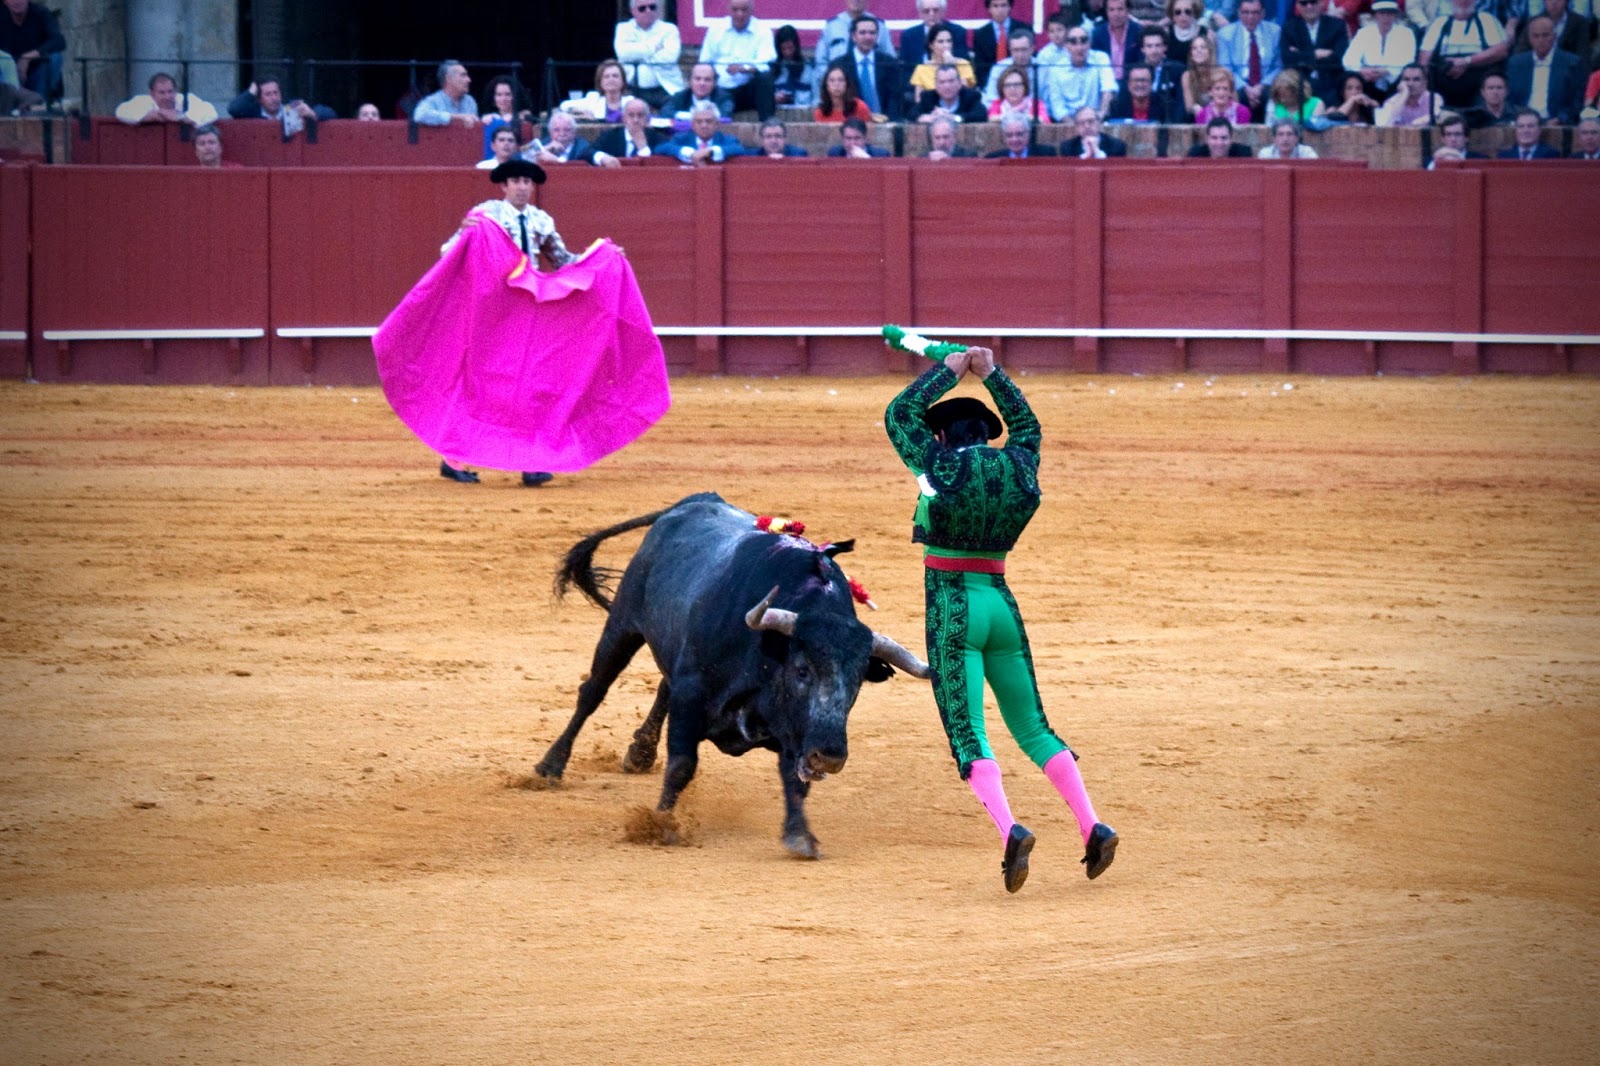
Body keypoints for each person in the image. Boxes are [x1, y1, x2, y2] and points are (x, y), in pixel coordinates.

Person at [882, 332, 1117, 894]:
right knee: (1033, 725)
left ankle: (1010, 829)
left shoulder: (936, 464)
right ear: (987, 435)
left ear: (941, 434)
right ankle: (1092, 825)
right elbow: (1030, 428)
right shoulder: (1019, 465)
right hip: (1001, 603)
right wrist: (991, 374)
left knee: (969, 734)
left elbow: (898, 415)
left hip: (952, 606)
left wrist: (949, 370)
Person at [433, 159, 574, 487]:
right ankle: (453, 458)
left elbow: (563, 261)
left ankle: (529, 461)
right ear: (504, 186)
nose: (523, 186)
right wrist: (466, 235)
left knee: (530, 384)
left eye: (527, 181)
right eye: (516, 180)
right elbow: (447, 252)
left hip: (528, 311)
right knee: (480, 385)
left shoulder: (541, 220)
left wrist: (602, 259)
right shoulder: (485, 215)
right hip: (491, 313)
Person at [1418, 0, 1510, 109]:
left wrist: (1467, 61)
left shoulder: (1486, 19)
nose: (1463, 1)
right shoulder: (1439, 22)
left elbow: (1501, 51)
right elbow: (1424, 59)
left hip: (1479, 86)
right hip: (1443, 87)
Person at [698, 0, 777, 121]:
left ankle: (767, 126)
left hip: (747, 89)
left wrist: (742, 69)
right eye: (735, 10)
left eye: (744, 10)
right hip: (720, 88)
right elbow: (705, 61)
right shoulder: (716, 29)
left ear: (751, 10)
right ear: (728, 9)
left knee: (765, 78)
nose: (740, 14)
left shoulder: (763, 30)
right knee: (701, 78)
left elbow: (765, 64)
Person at [1505, 15, 1583, 125]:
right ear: (1529, 38)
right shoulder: (1516, 63)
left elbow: (1576, 101)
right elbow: (1509, 98)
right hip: (1522, 122)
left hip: (1557, 123)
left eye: (1545, 35)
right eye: (1536, 36)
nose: (1540, 40)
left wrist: (1559, 119)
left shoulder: (1571, 63)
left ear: (1554, 36)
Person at [1216, 0, 1283, 118]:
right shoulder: (1225, 34)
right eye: (1245, 12)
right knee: (1235, 94)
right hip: (1238, 84)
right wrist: (1246, 88)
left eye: (1255, 12)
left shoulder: (1275, 31)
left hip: (1266, 84)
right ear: (1238, 13)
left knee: (1273, 94)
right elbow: (1225, 67)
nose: (1250, 17)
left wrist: (1261, 86)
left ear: (1263, 13)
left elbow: (1278, 65)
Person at [614, 0, 685, 110]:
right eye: (642, 8)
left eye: (652, 7)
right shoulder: (623, 28)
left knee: (668, 116)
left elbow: (669, 58)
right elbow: (623, 53)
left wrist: (638, 54)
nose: (648, 11)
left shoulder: (669, 29)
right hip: (632, 89)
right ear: (633, 11)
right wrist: (654, 48)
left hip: (665, 89)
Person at [815, 0, 894, 97]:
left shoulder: (879, 26)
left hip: (872, 88)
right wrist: (831, 83)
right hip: (837, 91)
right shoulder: (832, 26)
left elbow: (890, 59)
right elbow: (820, 61)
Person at [1043, 23, 1117, 121]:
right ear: (1066, 46)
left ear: (1090, 43)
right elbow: (1058, 108)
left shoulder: (1101, 58)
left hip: (1097, 120)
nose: (1079, 47)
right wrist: (1076, 127)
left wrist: (1100, 116)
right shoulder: (1056, 69)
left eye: (1084, 41)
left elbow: (1108, 88)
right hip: (1069, 124)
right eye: (1073, 42)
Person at [1342, 0, 1415, 97]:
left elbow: (1409, 60)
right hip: (1368, 81)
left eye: (1389, 14)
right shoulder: (1364, 33)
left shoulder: (1406, 34)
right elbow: (1348, 60)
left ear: (1395, 16)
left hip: (1396, 82)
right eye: (1382, 14)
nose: (1386, 18)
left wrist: (1387, 71)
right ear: (1376, 15)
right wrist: (1362, 70)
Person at [1283, 0, 1350, 103]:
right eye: (1304, 3)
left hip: (1331, 85)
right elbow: (1287, 59)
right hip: (1300, 85)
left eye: (1313, 2)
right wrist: (1315, 54)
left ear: (1321, 3)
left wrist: (1301, 55)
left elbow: (1339, 58)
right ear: (1297, 6)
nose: (1309, 6)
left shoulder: (1337, 25)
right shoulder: (1289, 27)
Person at [841, 14, 902, 119]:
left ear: (877, 36)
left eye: (872, 33)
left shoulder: (889, 63)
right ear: (853, 36)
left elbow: (895, 97)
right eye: (862, 33)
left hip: (885, 123)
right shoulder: (840, 65)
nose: (868, 37)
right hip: (852, 123)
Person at [0, 0, 62, 100]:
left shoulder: (40, 13)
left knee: (55, 58)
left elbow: (58, 41)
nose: (17, 1)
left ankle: (39, 105)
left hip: (36, 73)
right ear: (5, 2)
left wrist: (27, 58)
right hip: (8, 73)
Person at [229, 75, 329, 134]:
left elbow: (329, 112)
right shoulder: (254, 112)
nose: (274, 98)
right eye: (268, 94)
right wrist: (251, 91)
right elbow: (234, 109)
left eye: (276, 93)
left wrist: (312, 113)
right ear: (259, 99)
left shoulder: (292, 107)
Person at [114, 72, 219, 126]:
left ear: (176, 90)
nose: (167, 96)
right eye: (162, 92)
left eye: (170, 91)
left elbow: (211, 113)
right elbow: (121, 111)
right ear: (152, 94)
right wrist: (147, 116)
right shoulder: (144, 101)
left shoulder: (186, 99)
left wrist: (180, 118)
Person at [901, 0, 971, 77]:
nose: (931, 14)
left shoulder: (957, 32)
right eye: (926, 11)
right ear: (920, 13)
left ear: (943, 11)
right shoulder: (909, 35)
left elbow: (963, 62)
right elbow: (905, 69)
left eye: (936, 10)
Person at [973, 0, 1031, 89]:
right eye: (995, 6)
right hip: (991, 85)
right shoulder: (980, 34)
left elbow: (1030, 59)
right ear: (989, 9)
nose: (1000, 10)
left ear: (1010, 7)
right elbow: (980, 67)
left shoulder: (1024, 29)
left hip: (1022, 83)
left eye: (1003, 5)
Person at [592, 97, 670, 163]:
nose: (635, 120)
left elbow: (658, 167)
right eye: (631, 115)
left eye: (640, 115)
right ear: (624, 118)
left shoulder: (658, 138)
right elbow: (589, 152)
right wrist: (602, 157)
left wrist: (644, 149)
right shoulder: (610, 136)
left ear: (647, 119)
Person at [562, 59, 639, 122]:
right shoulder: (594, 99)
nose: (611, 79)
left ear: (623, 81)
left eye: (615, 76)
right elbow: (564, 106)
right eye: (606, 76)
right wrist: (582, 113)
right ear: (600, 82)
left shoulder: (631, 101)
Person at [669, 100, 747, 163]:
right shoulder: (681, 139)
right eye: (699, 122)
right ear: (692, 125)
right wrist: (687, 152)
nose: (704, 126)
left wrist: (711, 151)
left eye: (709, 121)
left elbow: (738, 149)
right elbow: (661, 148)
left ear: (717, 124)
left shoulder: (727, 140)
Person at [909, 26, 978, 96]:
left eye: (949, 41)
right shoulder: (922, 69)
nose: (946, 45)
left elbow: (965, 94)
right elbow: (919, 101)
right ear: (931, 45)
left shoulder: (963, 64)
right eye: (940, 42)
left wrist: (953, 66)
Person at [1139, 27, 1190, 119]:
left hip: (1169, 123)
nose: (1154, 50)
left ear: (1164, 47)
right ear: (1142, 49)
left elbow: (1180, 105)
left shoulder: (1177, 70)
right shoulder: (1133, 71)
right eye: (1149, 46)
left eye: (1158, 45)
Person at [981, 25, 1038, 106]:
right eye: (1016, 50)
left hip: (1034, 114)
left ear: (1032, 48)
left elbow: (1046, 100)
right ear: (1010, 50)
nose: (1020, 54)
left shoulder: (1042, 68)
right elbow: (991, 99)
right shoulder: (999, 68)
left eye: (1024, 49)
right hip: (1003, 115)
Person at [413, 60, 479, 127]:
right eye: (463, 75)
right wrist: (456, 117)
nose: (469, 80)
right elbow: (419, 115)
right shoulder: (434, 100)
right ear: (449, 78)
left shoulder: (469, 101)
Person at [664, 62, 734, 124]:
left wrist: (683, 116)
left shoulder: (724, 98)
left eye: (707, 80)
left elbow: (724, 117)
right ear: (690, 81)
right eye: (697, 79)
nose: (702, 83)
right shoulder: (680, 96)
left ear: (715, 83)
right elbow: (664, 114)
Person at [917, 62, 988, 123]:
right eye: (942, 82)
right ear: (936, 86)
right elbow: (912, 114)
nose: (947, 86)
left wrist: (954, 118)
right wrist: (926, 117)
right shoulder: (928, 97)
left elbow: (981, 114)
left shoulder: (971, 96)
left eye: (951, 81)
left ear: (960, 83)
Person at [1092, 0, 1145, 81]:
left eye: (1120, 9)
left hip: (1131, 82)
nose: (1116, 14)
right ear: (1106, 12)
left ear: (1128, 11)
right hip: (1105, 82)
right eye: (1111, 10)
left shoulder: (1138, 31)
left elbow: (1141, 60)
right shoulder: (1098, 33)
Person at [1375, 62, 1444, 124]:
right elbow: (1385, 123)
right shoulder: (1393, 101)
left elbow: (1435, 116)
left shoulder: (1434, 98)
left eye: (1416, 80)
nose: (1410, 84)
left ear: (1425, 83)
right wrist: (1404, 95)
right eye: (1406, 79)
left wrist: (1413, 124)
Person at [771, 24, 816, 108]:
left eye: (790, 48)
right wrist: (773, 99)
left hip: (804, 115)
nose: (787, 52)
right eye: (783, 49)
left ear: (796, 46)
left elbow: (816, 98)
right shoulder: (772, 69)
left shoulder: (809, 68)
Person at [1108, 62, 1173, 121]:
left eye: (1144, 80)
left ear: (1152, 83)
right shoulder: (1117, 106)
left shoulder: (1165, 105)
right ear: (1128, 84)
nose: (1140, 84)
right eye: (1136, 80)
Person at [530, 111, 598, 165]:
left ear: (574, 132)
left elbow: (576, 169)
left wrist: (556, 160)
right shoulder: (544, 143)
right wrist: (544, 149)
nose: (562, 134)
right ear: (550, 132)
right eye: (557, 130)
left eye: (567, 130)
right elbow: (521, 158)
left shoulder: (582, 147)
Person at [1062, 105, 1129, 155]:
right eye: (1082, 123)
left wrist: (1097, 153)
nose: (1087, 126)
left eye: (1091, 121)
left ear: (1099, 123)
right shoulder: (1068, 148)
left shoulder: (1116, 146)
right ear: (1076, 127)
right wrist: (1086, 156)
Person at [1182, 32, 1221, 116]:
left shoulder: (1222, 73)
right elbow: (1189, 107)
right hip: (1198, 118)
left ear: (1210, 52)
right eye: (1194, 48)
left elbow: (1234, 104)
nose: (1198, 51)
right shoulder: (1187, 76)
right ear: (1191, 55)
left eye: (1203, 47)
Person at [985, 112, 1058, 155]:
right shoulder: (993, 158)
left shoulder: (1046, 154)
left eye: (1019, 134)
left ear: (1028, 133)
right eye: (1009, 135)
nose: (1014, 139)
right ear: (1003, 136)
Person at [1164, 0, 1211, 64]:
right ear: (1172, 15)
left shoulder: (1208, 34)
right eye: (1178, 12)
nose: (1183, 15)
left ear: (1195, 12)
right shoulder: (1166, 33)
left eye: (1188, 12)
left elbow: (1212, 62)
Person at [1187, 113, 1255, 153]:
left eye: (1224, 138)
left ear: (1231, 138)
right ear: (1207, 138)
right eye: (1214, 138)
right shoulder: (1196, 154)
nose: (1219, 143)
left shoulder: (1243, 154)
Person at [827, 116, 891, 156]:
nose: (853, 143)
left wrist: (866, 159)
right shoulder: (835, 154)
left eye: (857, 138)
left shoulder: (881, 155)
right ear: (842, 139)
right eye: (848, 138)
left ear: (865, 138)